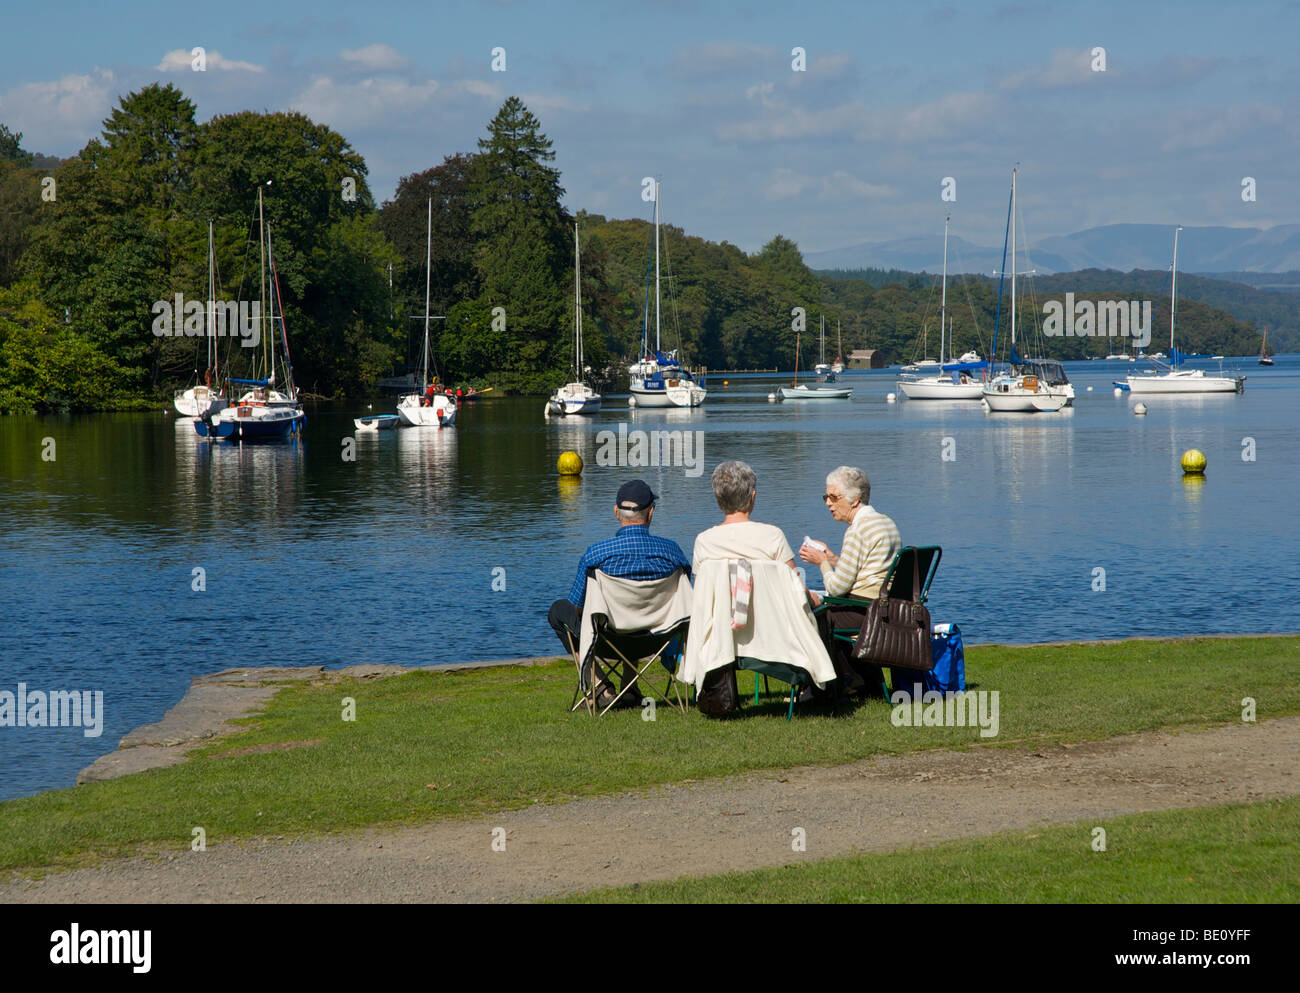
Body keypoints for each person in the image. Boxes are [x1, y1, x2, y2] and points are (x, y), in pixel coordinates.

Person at [548, 480, 692, 702]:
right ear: (651, 513)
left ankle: (600, 685)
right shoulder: (673, 553)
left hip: (608, 638)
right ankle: (630, 686)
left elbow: (577, 607)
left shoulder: (596, 555)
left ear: (616, 512)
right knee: (637, 608)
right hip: (656, 638)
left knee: (559, 611)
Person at [799, 466, 901, 696]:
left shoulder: (857, 530)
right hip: (885, 607)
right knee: (824, 611)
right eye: (826, 496)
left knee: (810, 617)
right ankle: (856, 678)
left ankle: (818, 689)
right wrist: (833, 558)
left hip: (864, 611)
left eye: (834, 497)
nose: (828, 503)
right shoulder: (885, 522)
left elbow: (836, 588)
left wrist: (822, 563)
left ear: (855, 499)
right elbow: (867, 566)